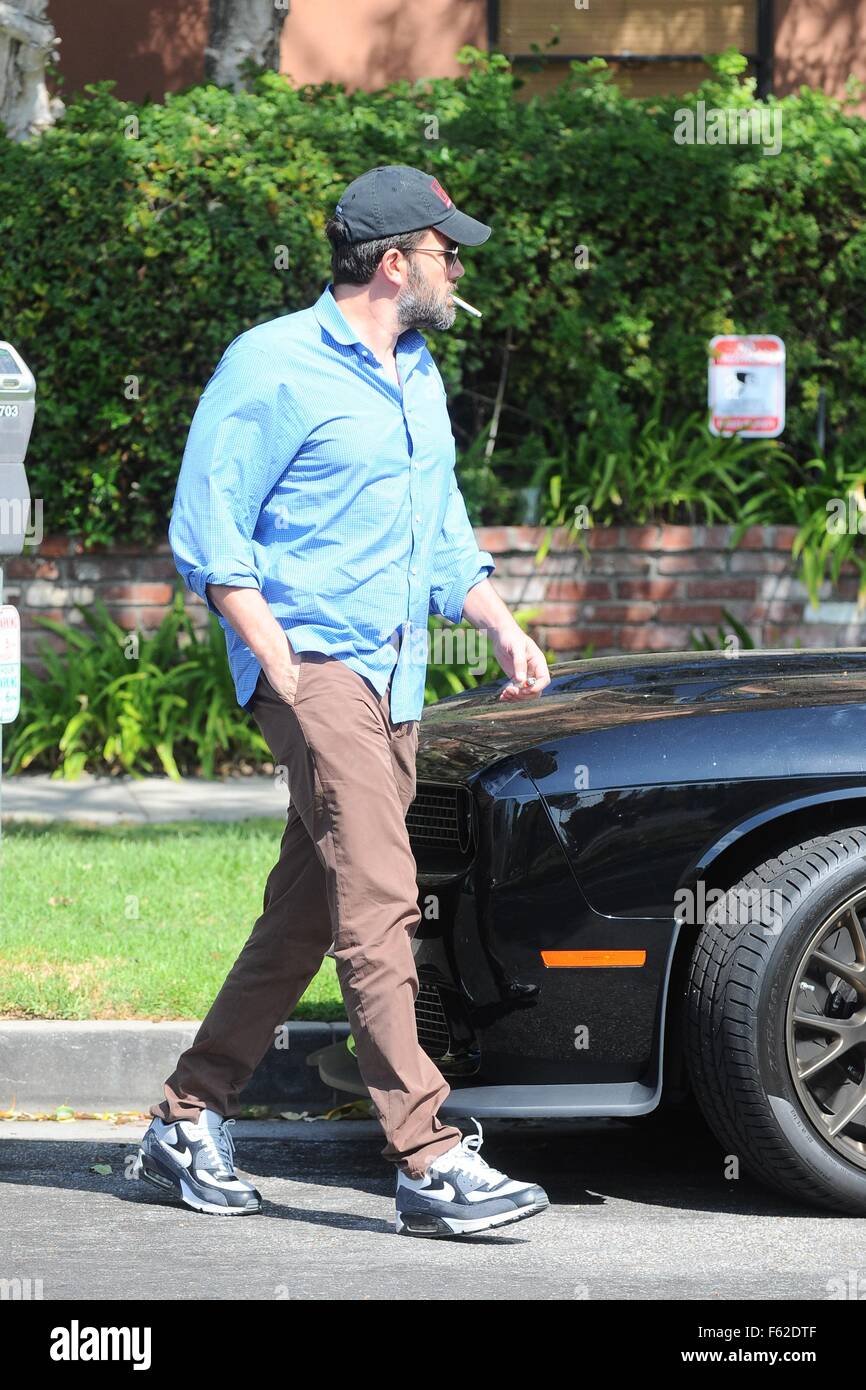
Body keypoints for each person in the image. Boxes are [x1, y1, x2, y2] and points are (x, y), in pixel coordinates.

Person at [133, 164, 551, 1237]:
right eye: (444, 249)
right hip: (314, 663)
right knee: (377, 889)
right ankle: (426, 1150)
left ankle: (187, 1113)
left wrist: (498, 620)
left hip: (395, 668)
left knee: (312, 906)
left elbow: (441, 523)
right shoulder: (270, 364)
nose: (457, 267)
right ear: (391, 260)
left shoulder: (413, 372)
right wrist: (273, 657)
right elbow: (207, 523)